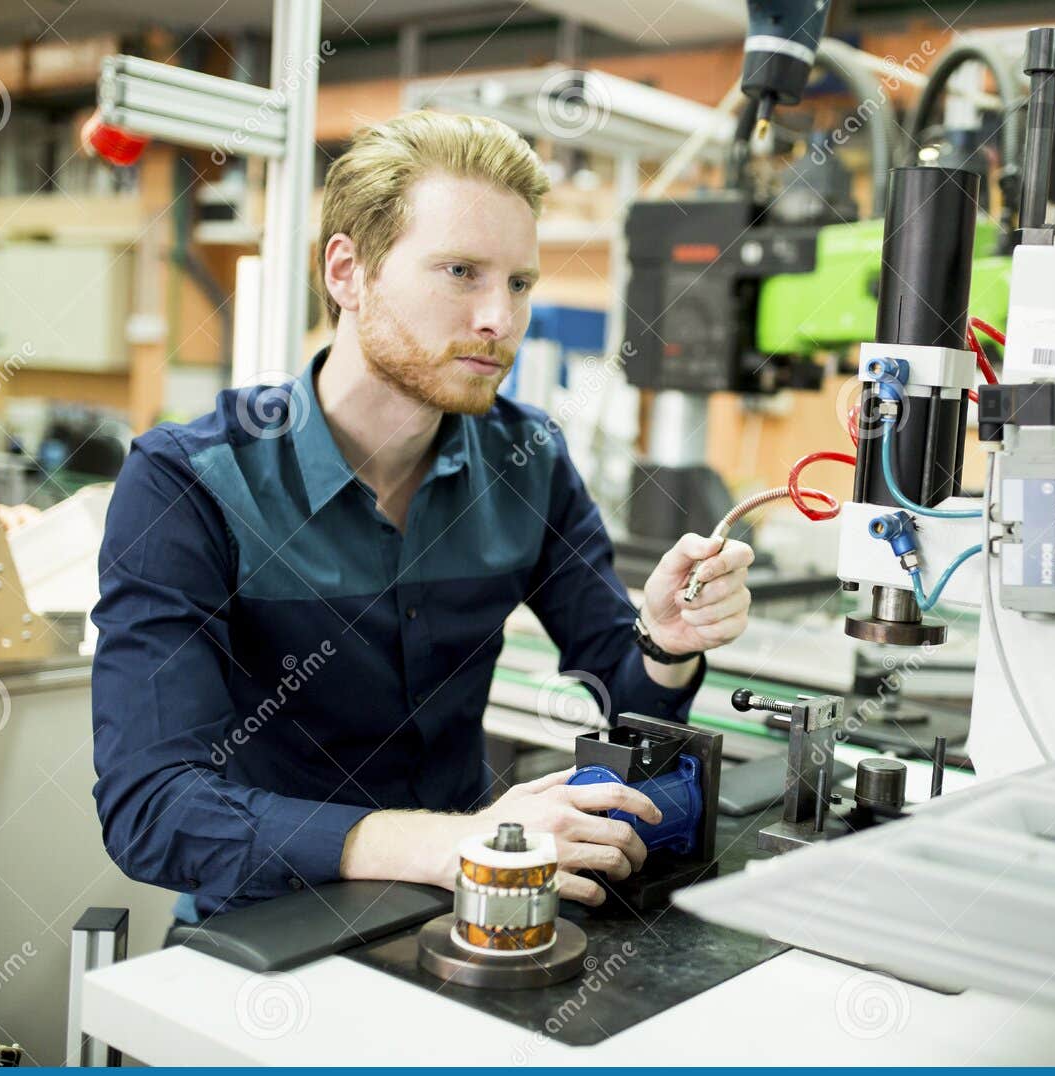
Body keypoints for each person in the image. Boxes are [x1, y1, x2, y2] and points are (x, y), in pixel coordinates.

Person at [90, 112, 753, 921]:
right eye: (460, 272)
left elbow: (626, 695)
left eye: (517, 283)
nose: (499, 320)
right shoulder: (188, 483)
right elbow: (152, 809)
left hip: (474, 913)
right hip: (266, 924)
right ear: (348, 270)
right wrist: (451, 842)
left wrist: (664, 644)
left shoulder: (527, 459)